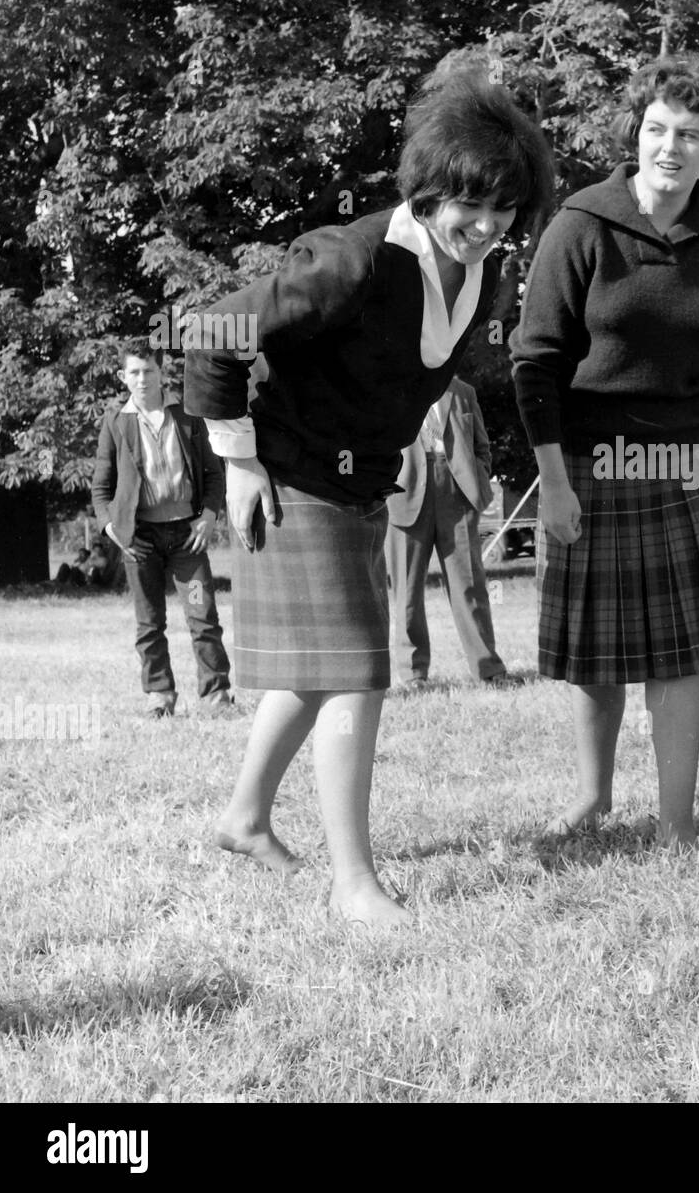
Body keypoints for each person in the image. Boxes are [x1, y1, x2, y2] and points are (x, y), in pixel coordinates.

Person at [184, 65, 554, 925]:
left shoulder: (485, 272)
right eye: (472, 204)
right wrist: (238, 461)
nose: (488, 226)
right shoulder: (350, 259)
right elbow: (213, 335)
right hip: (290, 479)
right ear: (428, 190)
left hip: (363, 484)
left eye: (507, 210)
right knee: (358, 673)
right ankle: (354, 883)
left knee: (318, 675)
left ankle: (243, 818)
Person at [511, 53, 699, 848]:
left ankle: (676, 824)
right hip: (586, 462)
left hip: (682, 464)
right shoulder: (580, 224)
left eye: (689, 133)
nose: (671, 147)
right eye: (657, 129)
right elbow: (536, 360)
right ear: (636, 133)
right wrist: (552, 481)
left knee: (677, 657)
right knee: (596, 656)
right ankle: (595, 795)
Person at [92, 341, 232, 717]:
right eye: (134, 372)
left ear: (161, 371)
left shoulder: (188, 415)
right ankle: (159, 696)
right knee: (149, 623)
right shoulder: (115, 423)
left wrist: (209, 516)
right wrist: (112, 530)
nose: (142, 379)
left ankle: (217, 696)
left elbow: (213, 474)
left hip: (188, 536)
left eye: (148, 371)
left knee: (203, 617)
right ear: (123, 377)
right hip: (141, 541)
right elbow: (100, 489)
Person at [385, 375, 514, 686]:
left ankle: (489, 670)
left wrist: (478, 480)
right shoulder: (390, 386)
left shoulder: (463, 392)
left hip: (457, 494)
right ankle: (414, 674)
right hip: (404, 493)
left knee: (469, 584)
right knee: (406, 589)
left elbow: (482, 447)